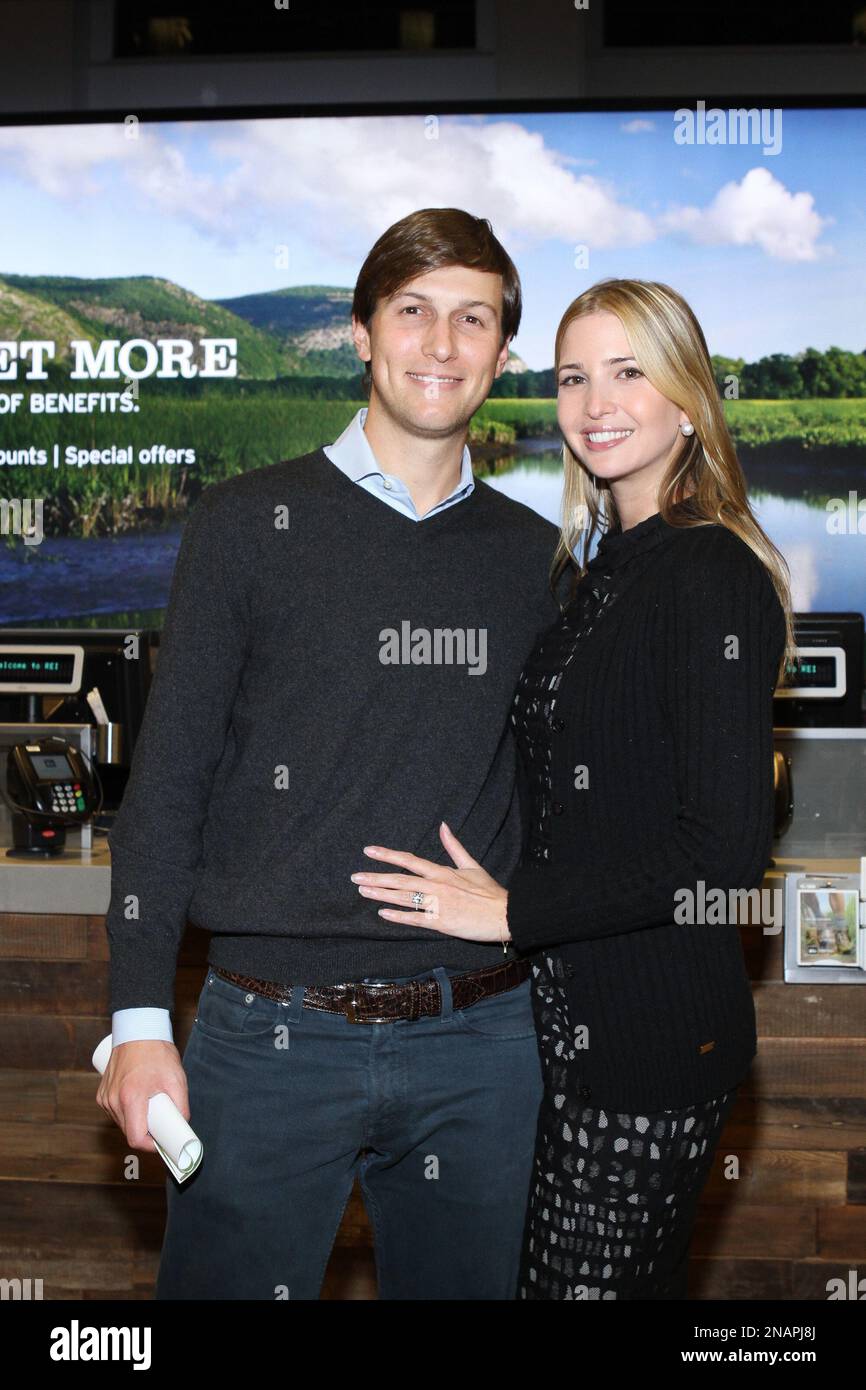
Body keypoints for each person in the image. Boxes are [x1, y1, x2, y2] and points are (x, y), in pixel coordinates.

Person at [96, 207, 566, 1300]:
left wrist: (527, 903)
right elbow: (164, 789)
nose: (440, 344)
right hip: (265, 1038)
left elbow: (575, 795)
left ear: (501, 356)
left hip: (482, 1043)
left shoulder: (535, 560)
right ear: (360, 331)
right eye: (412, 312)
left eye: (472, 319)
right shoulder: (240, 524)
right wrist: (136, 1022)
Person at [351, 277, 795, 1300]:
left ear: (686, 400)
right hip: (563, 1033)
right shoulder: (608, 566)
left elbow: (720, 853)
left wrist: (512, 907)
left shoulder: (707, 571)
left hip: (646, 1046)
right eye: (571, 377)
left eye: (627, 372)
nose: (594, 401)